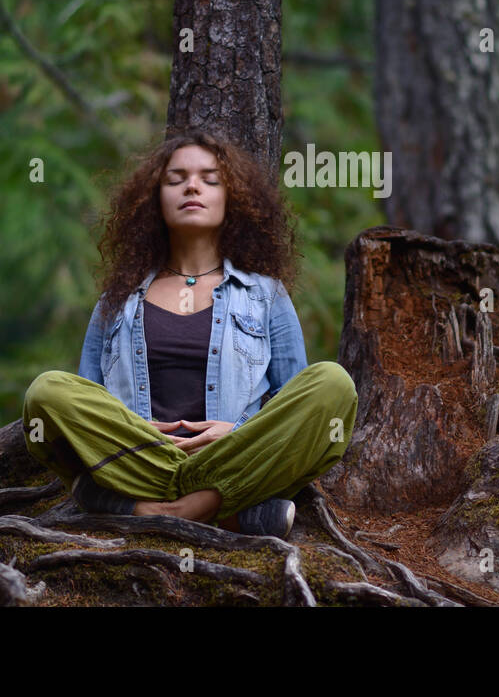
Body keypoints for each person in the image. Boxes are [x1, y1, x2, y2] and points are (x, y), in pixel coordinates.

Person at [22, 130, 358, 538]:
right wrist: (132, 429)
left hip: (227, 460)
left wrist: (238, 432)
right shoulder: (118, 300)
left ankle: (162, 509)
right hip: (138, 461)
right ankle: (226, 514)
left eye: (210, 179)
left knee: (333, 384)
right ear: (155, 199)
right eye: (176, 179)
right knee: (47, 392)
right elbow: (87, 403)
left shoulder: (265, 295)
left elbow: (294, 401)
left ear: (230, 198)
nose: (192, 186)